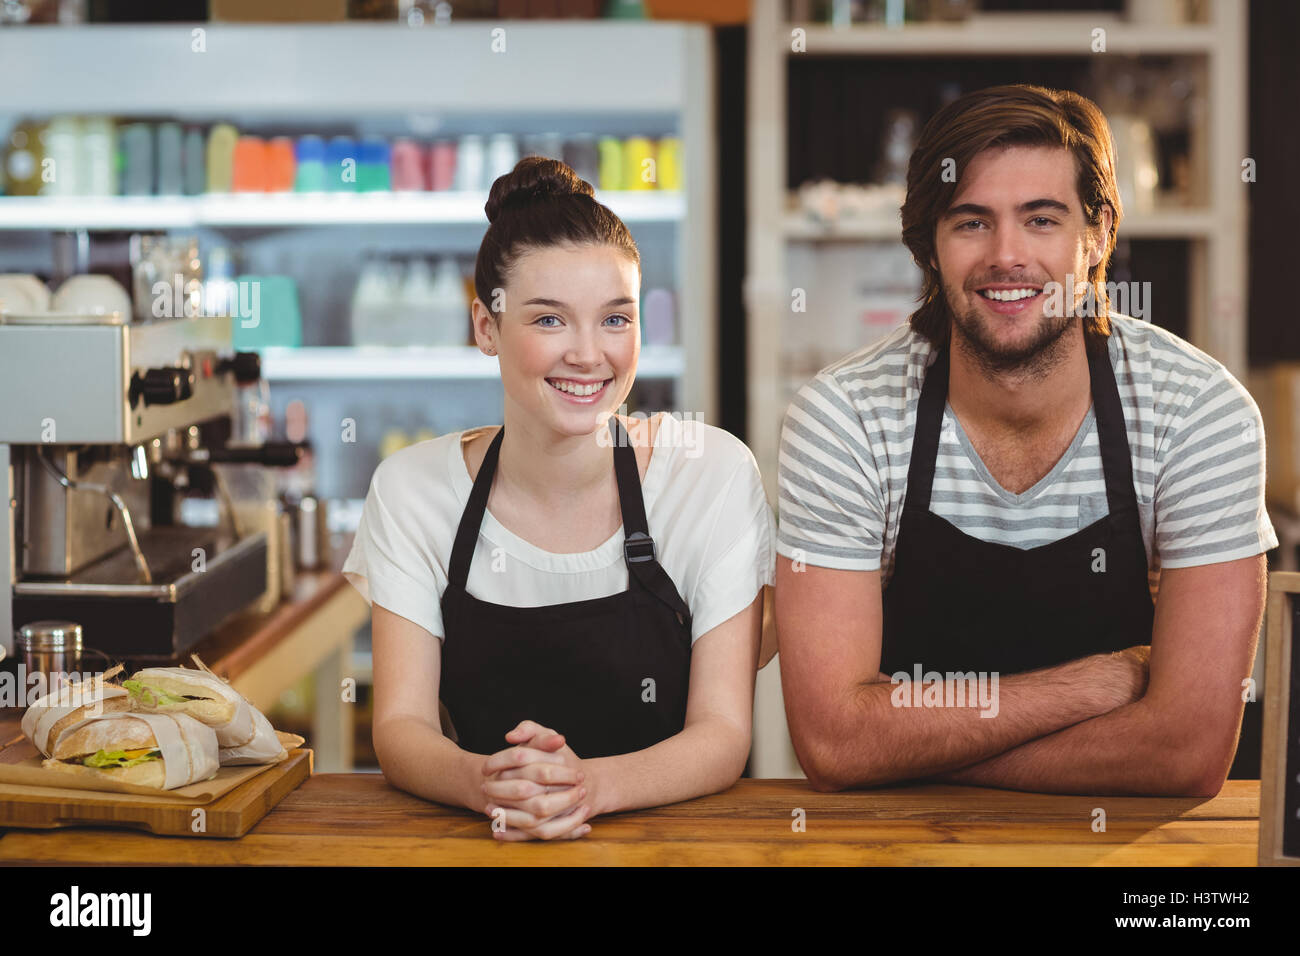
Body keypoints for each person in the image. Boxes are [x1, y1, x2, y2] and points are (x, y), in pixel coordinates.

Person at [775, 84, 1276, 797]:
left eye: (1041, 220)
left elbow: (1187, 752)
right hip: (898, 847)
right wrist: (1091, 686)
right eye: (971, 222)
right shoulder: (846, 418)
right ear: (929, 243)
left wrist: (905, 746)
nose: (1007, 257)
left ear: (1098, 232)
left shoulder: (1197, 412)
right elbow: (832, 740)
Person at [343, 157, 774, 840]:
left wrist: (586, 789)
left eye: (615, 320)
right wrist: (485, 781)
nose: (588, 354)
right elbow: (401, 727)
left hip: (676, 848)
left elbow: (722, 732)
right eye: (549, 321)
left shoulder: (710, 474)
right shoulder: (412, 490)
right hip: (490, 837)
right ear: (486, 327)